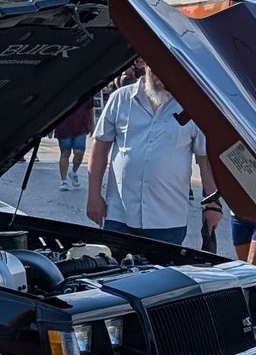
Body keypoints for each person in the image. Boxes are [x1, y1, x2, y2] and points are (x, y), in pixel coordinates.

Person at [84, 60, 219, 246]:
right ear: (145, 65)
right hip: (120, 214)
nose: (162, 80)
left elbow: (205, 161)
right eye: (157, 72)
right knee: (115, 272)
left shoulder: (192, 107)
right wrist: (93, 195)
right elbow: (99, 148)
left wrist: (212, 204)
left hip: (168, 219)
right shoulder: (120, 99)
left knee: (161, 274)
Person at [50, 91, 97, 190]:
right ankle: (63, 181)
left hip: (81, 126)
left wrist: (92, 124)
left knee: (79, 151)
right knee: (65, 153)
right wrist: (50, 126)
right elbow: (52, 109)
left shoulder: (87, 91)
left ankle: (74, 172)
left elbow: (91, 108)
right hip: (63, 126)